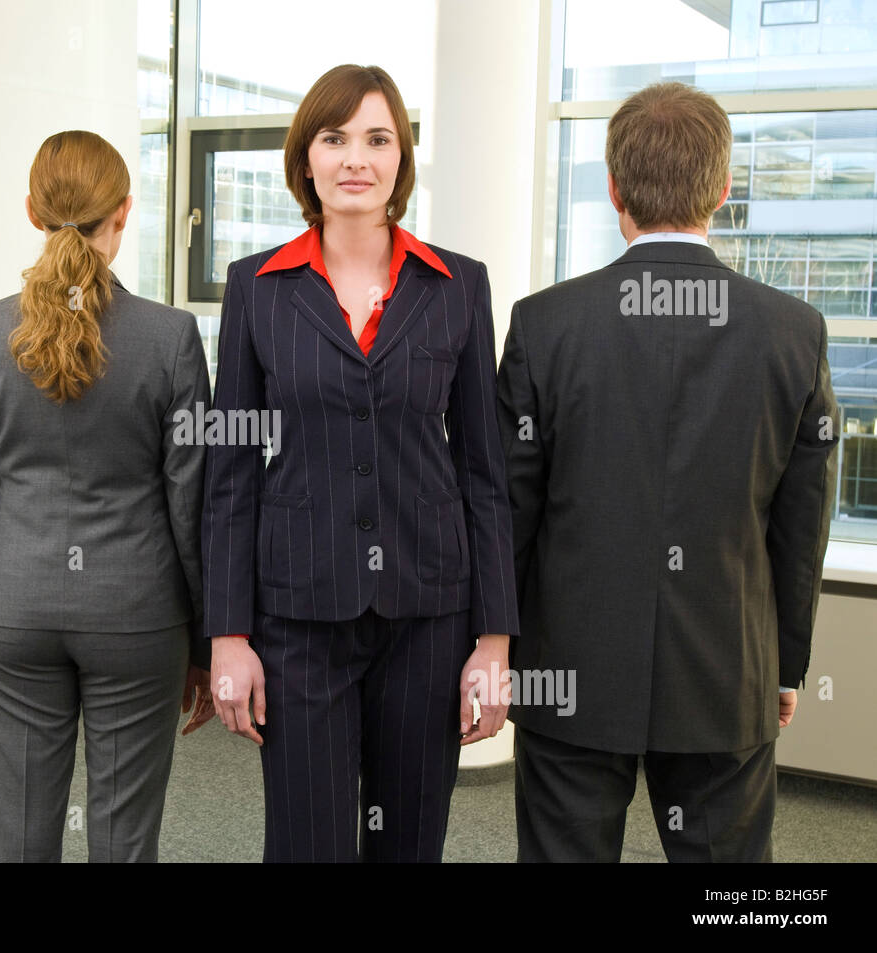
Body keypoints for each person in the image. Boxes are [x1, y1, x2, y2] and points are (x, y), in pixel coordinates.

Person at [497, 81, 840, 863]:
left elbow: (507, 511)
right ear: (722, 188)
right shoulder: (795, 332)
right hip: (729, 671)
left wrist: (502, 650)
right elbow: (802, 523)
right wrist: (784, 664)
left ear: (614, 187)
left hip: (567, 674)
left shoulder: (544, 325)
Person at [202, 64, 520, 863]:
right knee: (306, 842)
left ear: (401, 160)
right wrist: (227, 632)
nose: (355, 158)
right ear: (305, 160)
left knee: (410, 842)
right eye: (334, 138)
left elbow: (485, 471)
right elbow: (231, 472)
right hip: (298, 614)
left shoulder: (457, 286)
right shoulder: (258, 288)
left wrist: (496, 640)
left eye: (377, 139)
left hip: (429, 612)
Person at [0, 130, 215, 863]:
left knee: (23, 832)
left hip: (13, 604)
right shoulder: (171, 338)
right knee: (124, 839)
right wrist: (200, 638)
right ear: (123, 213)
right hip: (137, 612)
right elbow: (190, 503)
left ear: (32, 210)